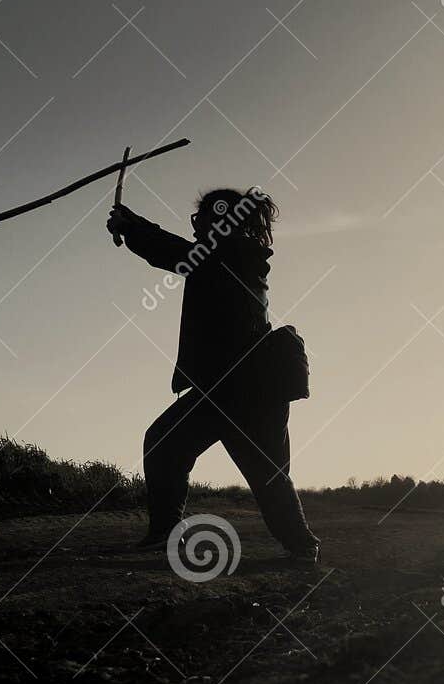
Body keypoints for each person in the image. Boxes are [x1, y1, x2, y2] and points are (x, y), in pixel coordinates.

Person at [106, 187, 319, 563]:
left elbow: (174, 253)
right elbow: (178, 252)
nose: (196, 225)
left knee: (167, 445)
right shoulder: (235, 255)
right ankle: (301, 547)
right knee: (261, 473)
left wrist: (132, 226)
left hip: (237, 387)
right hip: (241, 387)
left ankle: (168, 534)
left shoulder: (230, 255)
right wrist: (133, 224)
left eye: (203, 218)